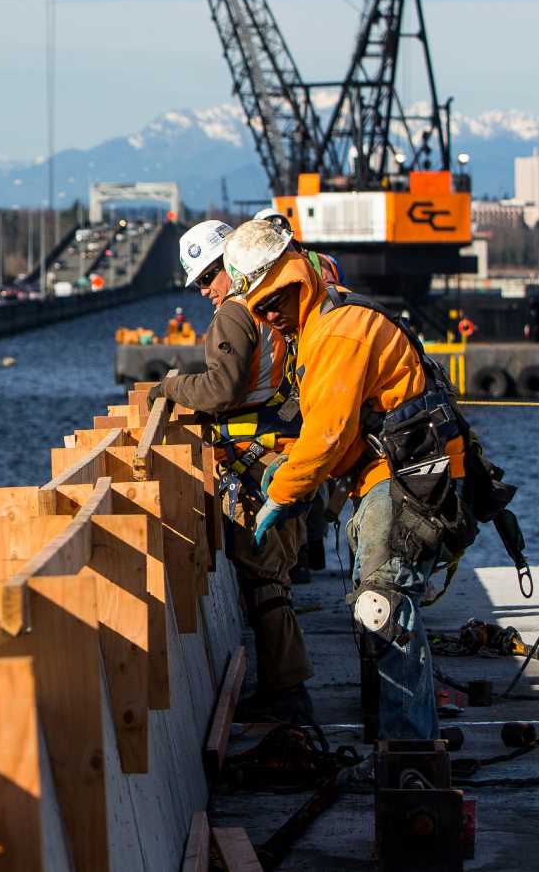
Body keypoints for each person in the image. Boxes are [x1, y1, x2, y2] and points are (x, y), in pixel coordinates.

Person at [223, 218, 463, 741]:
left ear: (293, 284)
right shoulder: (319, 324)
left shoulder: (335, 332)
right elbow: (329, 426)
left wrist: (283, 493)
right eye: (259, 311)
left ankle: (409, 751)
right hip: (390, 475)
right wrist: (286, 457)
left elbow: (328, 435)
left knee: (383, 606)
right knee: (377, 604)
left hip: (407, 478)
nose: (268, 319)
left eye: (272, 305)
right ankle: (394, 737)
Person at [149, 219, 312, 723]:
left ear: (228, 265)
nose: (205, 292)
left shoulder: (237, 315)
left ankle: (287, 695)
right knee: (275, 576)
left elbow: (222, 390)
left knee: (264, 579)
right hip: (287, 454)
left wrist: (170, 389)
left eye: (206, 278)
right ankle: (286, 691)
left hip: (261, 462)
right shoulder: (275, 305)